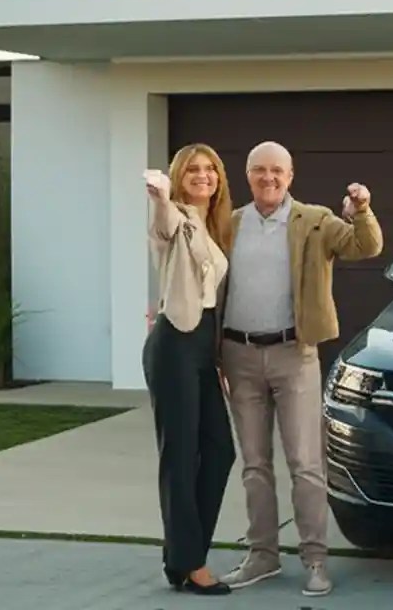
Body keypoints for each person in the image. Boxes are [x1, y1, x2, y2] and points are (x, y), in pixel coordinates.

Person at [216, 141, 383, 597]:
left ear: (290, 176)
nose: (268, 178)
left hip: (295, 354)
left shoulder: (314, 220)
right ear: (247, 176)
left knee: (306, 465)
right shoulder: (229, 223)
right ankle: (263, 556)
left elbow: (365, 245)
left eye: (276, 171)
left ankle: (315, 560)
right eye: (258, 171)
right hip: (239, 355)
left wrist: (362, 210)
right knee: (254, 465)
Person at [141, 143, 237, 596]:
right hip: (174, 345)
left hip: (200, 348)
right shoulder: (176, 217)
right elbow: (163, 230)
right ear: (179, 178)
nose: (203, 176)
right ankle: (190, 563)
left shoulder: (214, 225)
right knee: (180, 457)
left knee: (219, 451)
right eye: (193, 170)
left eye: (210, 169)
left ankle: (181, 555)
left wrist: (216, 358)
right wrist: (160, 196)